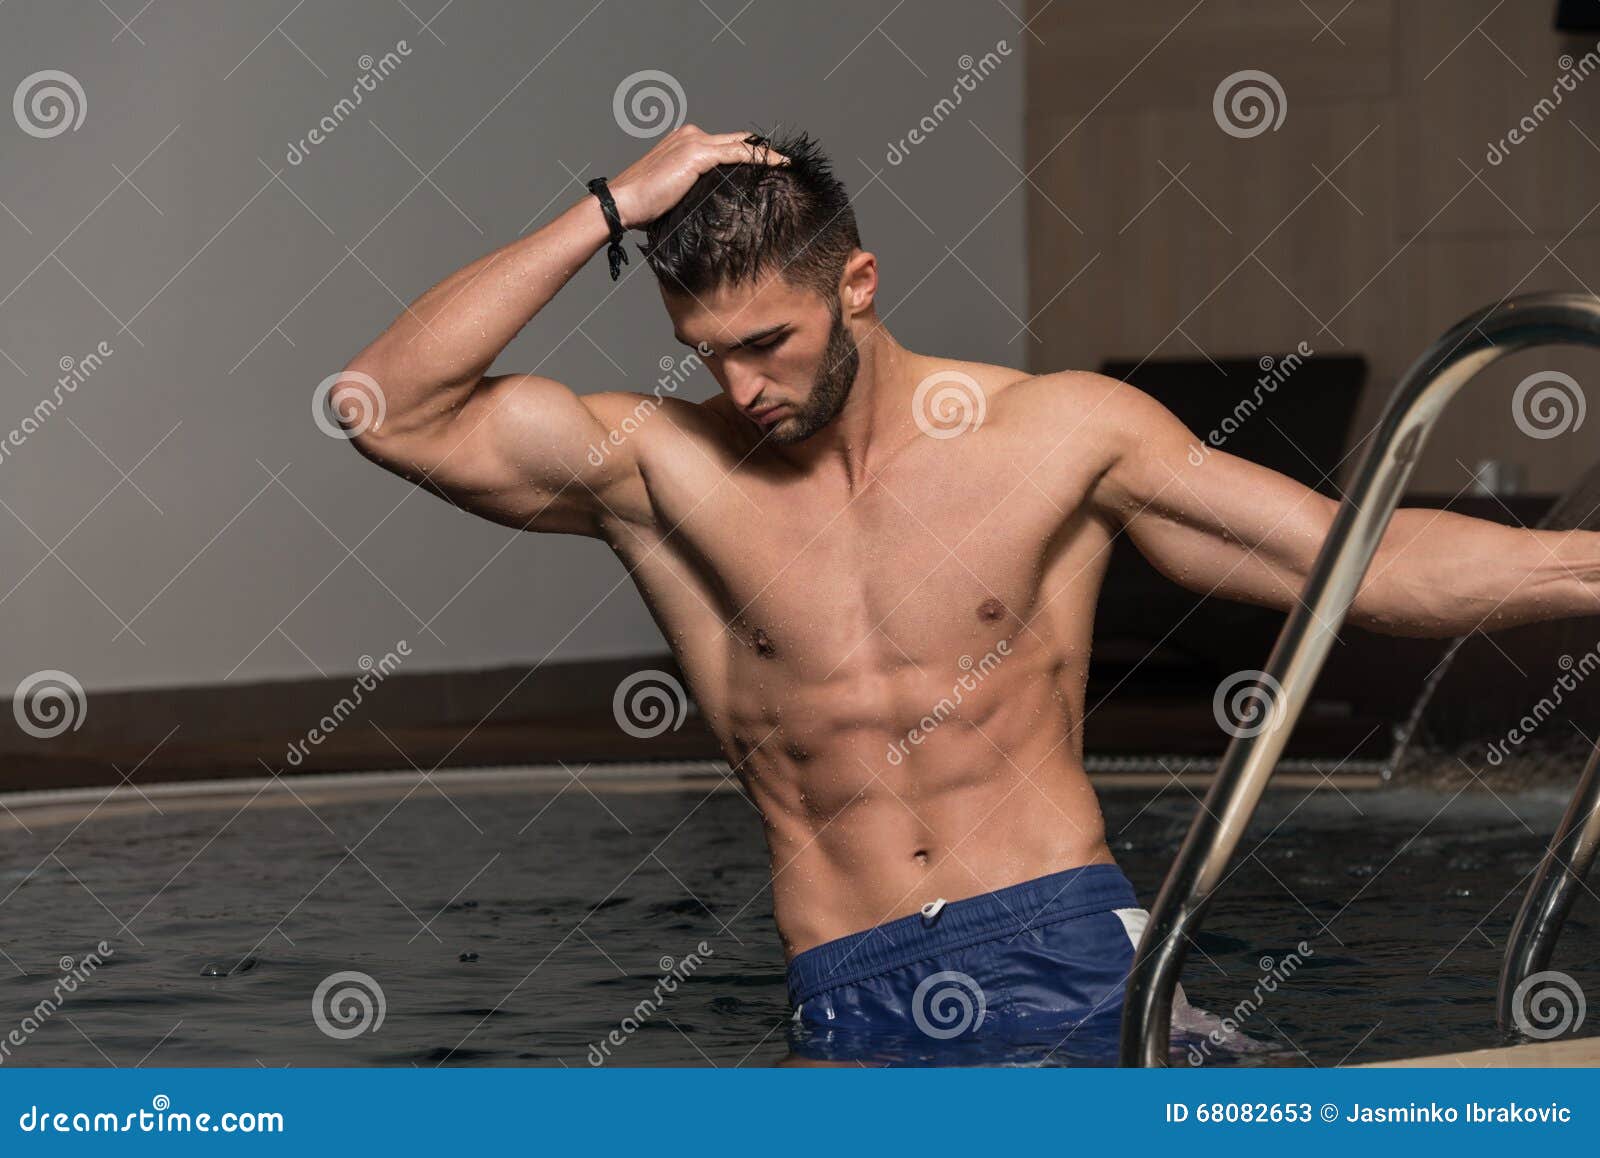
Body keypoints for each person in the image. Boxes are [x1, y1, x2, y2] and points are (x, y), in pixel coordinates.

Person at [333, 127, 1598, 1060]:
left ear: (857, 287)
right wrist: (610, 206)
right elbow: (385, 409)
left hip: (1063, 954)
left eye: (766, 343)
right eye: (703, 356)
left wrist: (1582, 571)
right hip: (847, 983)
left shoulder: (1057, 439)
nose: (739, 390)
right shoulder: (655, 471)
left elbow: (1358, 563)